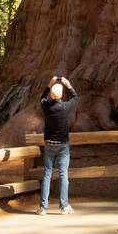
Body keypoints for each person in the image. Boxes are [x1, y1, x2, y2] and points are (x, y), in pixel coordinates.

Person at [38, 75, 77, 215]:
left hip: (49, 144)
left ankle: (43, 207)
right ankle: (64, 206)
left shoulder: (46, 107)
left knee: (47, 174)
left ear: (51, 95)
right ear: (61, 96)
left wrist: (49, 85)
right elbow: (75, 98)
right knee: (63, 174)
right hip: (63, 145)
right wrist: (69, 85)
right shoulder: (65, 107)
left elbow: (42, 99)